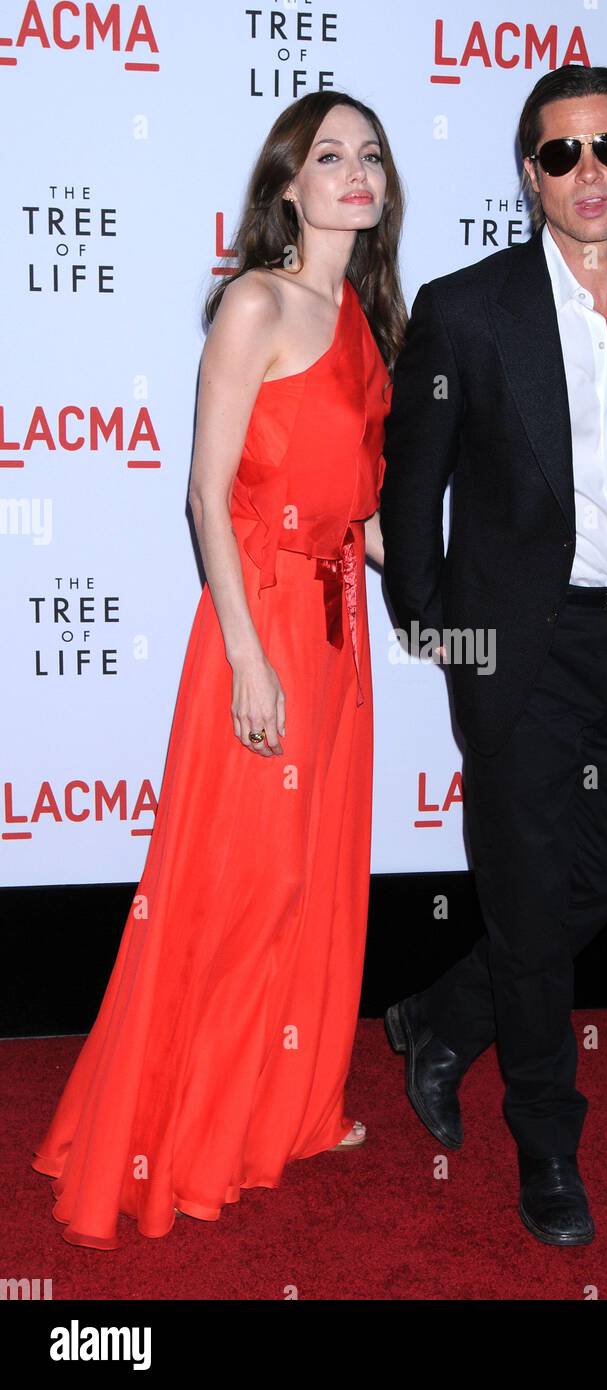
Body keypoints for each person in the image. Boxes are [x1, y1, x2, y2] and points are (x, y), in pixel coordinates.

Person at [30, 91, 405, 1249]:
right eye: (328, 156)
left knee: (317, 879)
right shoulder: (258, 300)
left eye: (370, 156)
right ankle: (181, 1142)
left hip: (337, 621)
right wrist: (247, 653)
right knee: (242, 886)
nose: (354, 171)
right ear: (288, 185)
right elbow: (204, 490)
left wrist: (449, 588)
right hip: (268, 622)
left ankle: (281, 1113)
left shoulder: (362, 311)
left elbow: (366, 505)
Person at [380, 64, 607, 1246]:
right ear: (529, 172)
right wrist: (434, 625)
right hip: (519, 645)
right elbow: (409, 482)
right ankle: (547, 1144)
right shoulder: (467, 307)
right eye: (562, 153)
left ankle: (439, 1012)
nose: (589, 173)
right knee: (529, 902)